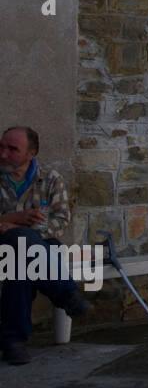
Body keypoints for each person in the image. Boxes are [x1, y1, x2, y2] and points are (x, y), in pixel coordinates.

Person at [0, 126, 91, 365]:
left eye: (12, 149)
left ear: (31, 153)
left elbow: (61, 220)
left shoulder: (50, 179)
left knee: (20, 260)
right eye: (2, 147)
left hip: (39, 247)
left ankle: (13, 342)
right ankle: (66, 294)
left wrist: (26, 231)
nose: (3, 154)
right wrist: (15, 220)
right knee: (19, 248)